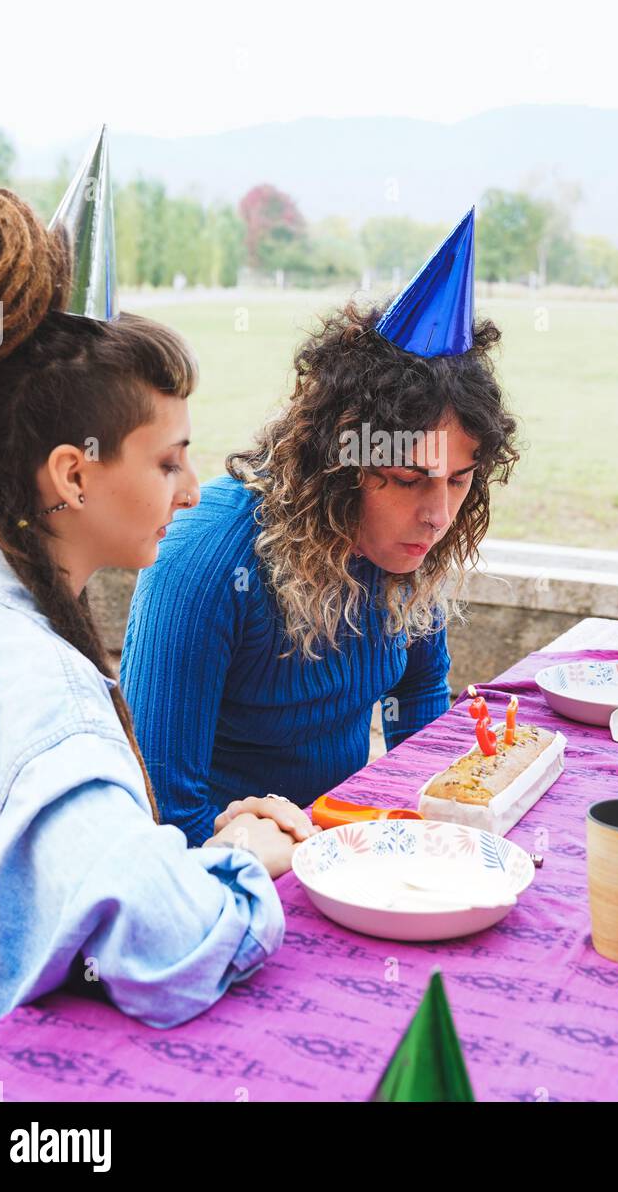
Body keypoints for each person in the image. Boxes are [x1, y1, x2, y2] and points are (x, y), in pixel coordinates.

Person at [0, 175, 312, 1044]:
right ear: (73, 474)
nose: (193, 493)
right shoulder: (43, 692)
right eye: (168, 463)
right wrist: (246, 862)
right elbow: (165, 944)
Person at [122, 208, 520, 845]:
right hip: (233, 878)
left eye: (460, 479)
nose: (439, 516)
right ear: (343, 463)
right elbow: (160, 809)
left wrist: (435, 833)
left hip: (346, 849)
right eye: (410, 479)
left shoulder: (409, 549)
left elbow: (419, 701)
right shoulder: (205, 561)